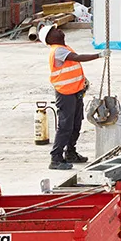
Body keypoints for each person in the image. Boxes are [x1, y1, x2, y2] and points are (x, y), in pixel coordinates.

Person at [44, 21, 95, 169]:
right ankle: (56, 158)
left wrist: (82, 81)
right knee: (65, 126)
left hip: (75, 91)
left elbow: (72, 67)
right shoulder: (57, 50)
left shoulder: (63, 48)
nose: (59, 31)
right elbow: (78, 58)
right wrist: (99, 55)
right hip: (65, 93)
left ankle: (71, 152)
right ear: (50, 39)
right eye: (55, 31)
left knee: (76, 124)